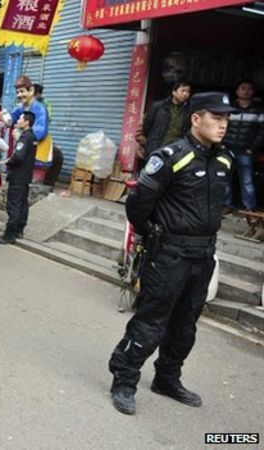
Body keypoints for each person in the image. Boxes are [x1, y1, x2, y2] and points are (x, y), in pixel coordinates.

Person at [108, 92, 236, 416]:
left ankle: (167, 378)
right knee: (151, 322)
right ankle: (124, 379)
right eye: (216, 118)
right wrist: (155, 235)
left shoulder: (224, 160)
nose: (223, 124)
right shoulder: (169, 157)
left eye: (226, 118)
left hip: (203, 255)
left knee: (185, 326)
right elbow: (138, 206)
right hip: (169, 254)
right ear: (196, 119)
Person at [223, 80, 264, 212]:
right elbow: (221, 125)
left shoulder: (258, 110)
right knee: (225, 178)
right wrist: (221, 144)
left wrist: (252, 148)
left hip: (245, 150)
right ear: (237, 91)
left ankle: (249, 208)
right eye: (243, 88)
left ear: (253, 92)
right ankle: (227, 205)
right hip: (227, 148)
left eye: (249, 89)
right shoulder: (229, 108)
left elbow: (262, 132)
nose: (246, 91)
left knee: (247, 180)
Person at [0, 112, 37, 245]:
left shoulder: (25, 137)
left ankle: (9, 235)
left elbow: (19, 156)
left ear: (26, 122)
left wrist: (8, 161)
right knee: (22, 204)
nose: (18, 121)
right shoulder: (32, 136)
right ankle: (19, 230)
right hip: (26, 177)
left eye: (20, 119)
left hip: (18, 176)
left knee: (14, 204)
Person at [138, 81, 191, 162]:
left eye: (188, 92)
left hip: (175, 150)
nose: (185, 94)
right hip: (156, 148)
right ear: (174, 92)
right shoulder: (158, 106)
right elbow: (147, 126)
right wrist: (149, 142)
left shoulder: (188, 111)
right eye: (183, 90)